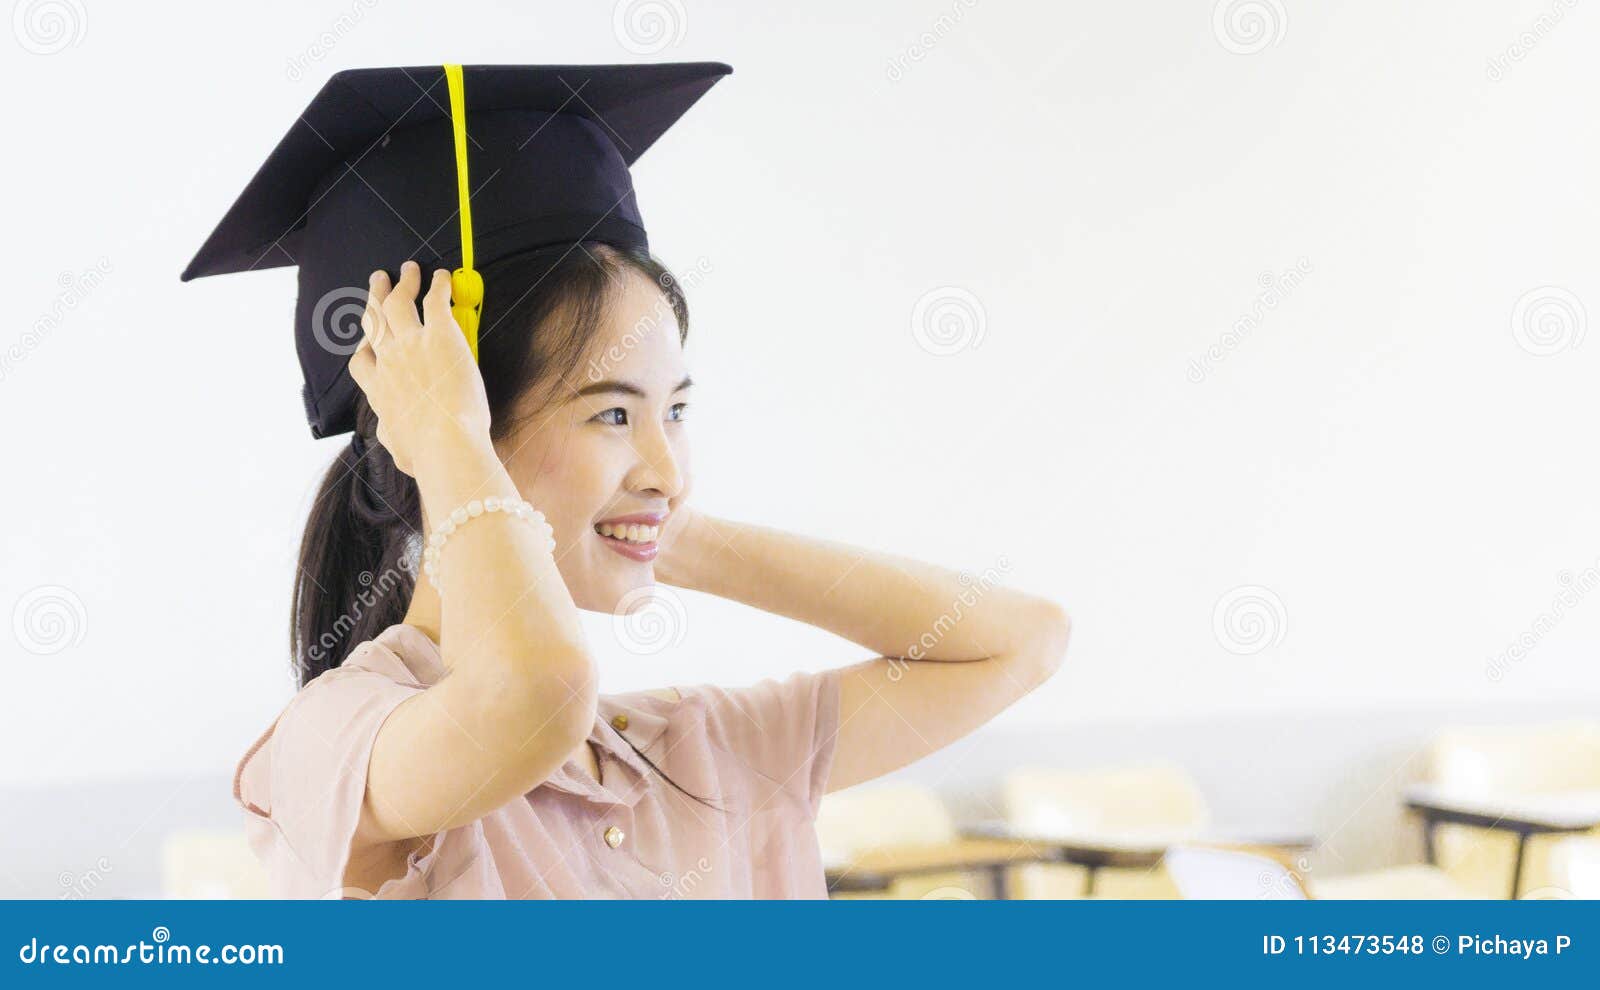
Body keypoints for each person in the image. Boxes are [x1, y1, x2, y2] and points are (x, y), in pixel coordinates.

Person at [188, 64, 1071, 898]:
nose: (668, 464)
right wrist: (453, 451)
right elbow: (533, 700)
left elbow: (1021, 640)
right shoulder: (337, 740)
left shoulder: (689, 754)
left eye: (675, 411)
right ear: (441, 426)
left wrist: (655, 525)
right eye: (612, 413)